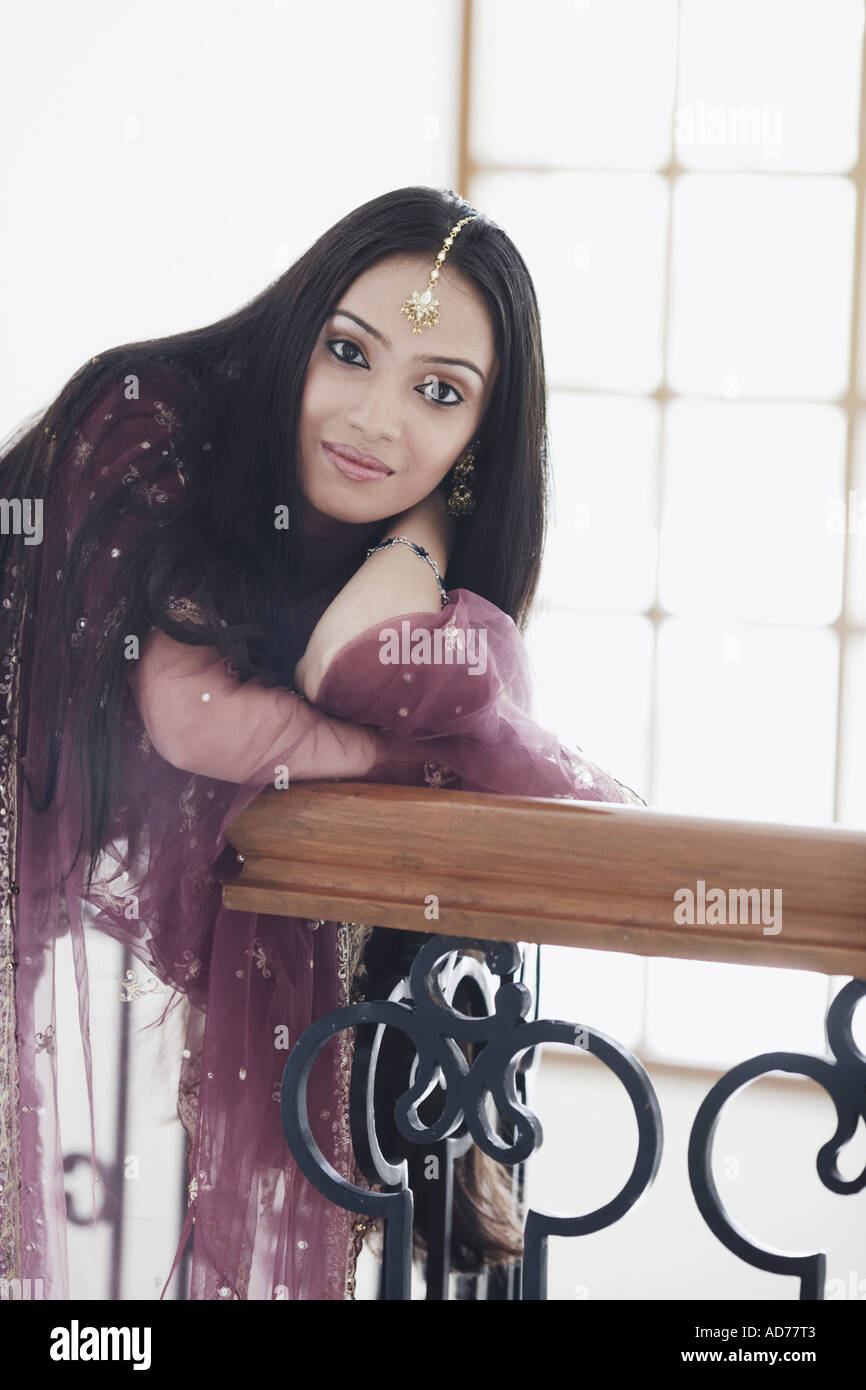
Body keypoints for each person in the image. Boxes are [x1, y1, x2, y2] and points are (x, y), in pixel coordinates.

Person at [0, 185, 646, 1301]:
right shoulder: (145, 419)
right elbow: (194, 719)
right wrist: (413, 761)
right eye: (349, 351)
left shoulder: (368, 532)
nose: (374, 421)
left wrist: (424, 529)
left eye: (437, 393)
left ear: (477, 445)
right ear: (298, 328)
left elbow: (362, 656)